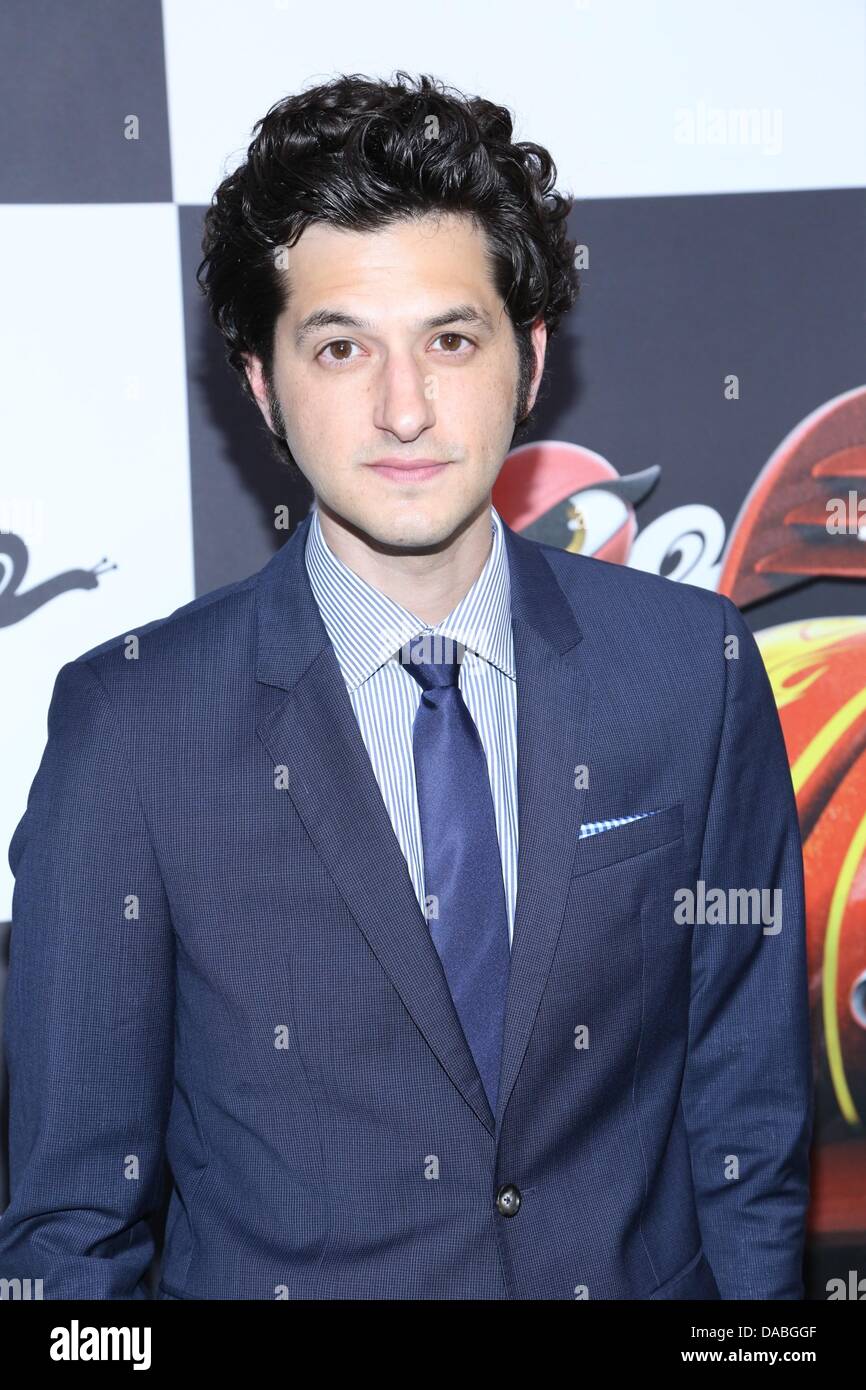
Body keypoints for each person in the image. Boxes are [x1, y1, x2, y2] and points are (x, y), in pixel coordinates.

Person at [0, 71, 812, 1300]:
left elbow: (746, 1125)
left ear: (528, 359)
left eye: (448, 338)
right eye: (340, 347)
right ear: (263, 383)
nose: (403, 407)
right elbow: (68, 1229)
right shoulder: (133, 726)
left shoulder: (685, 672)